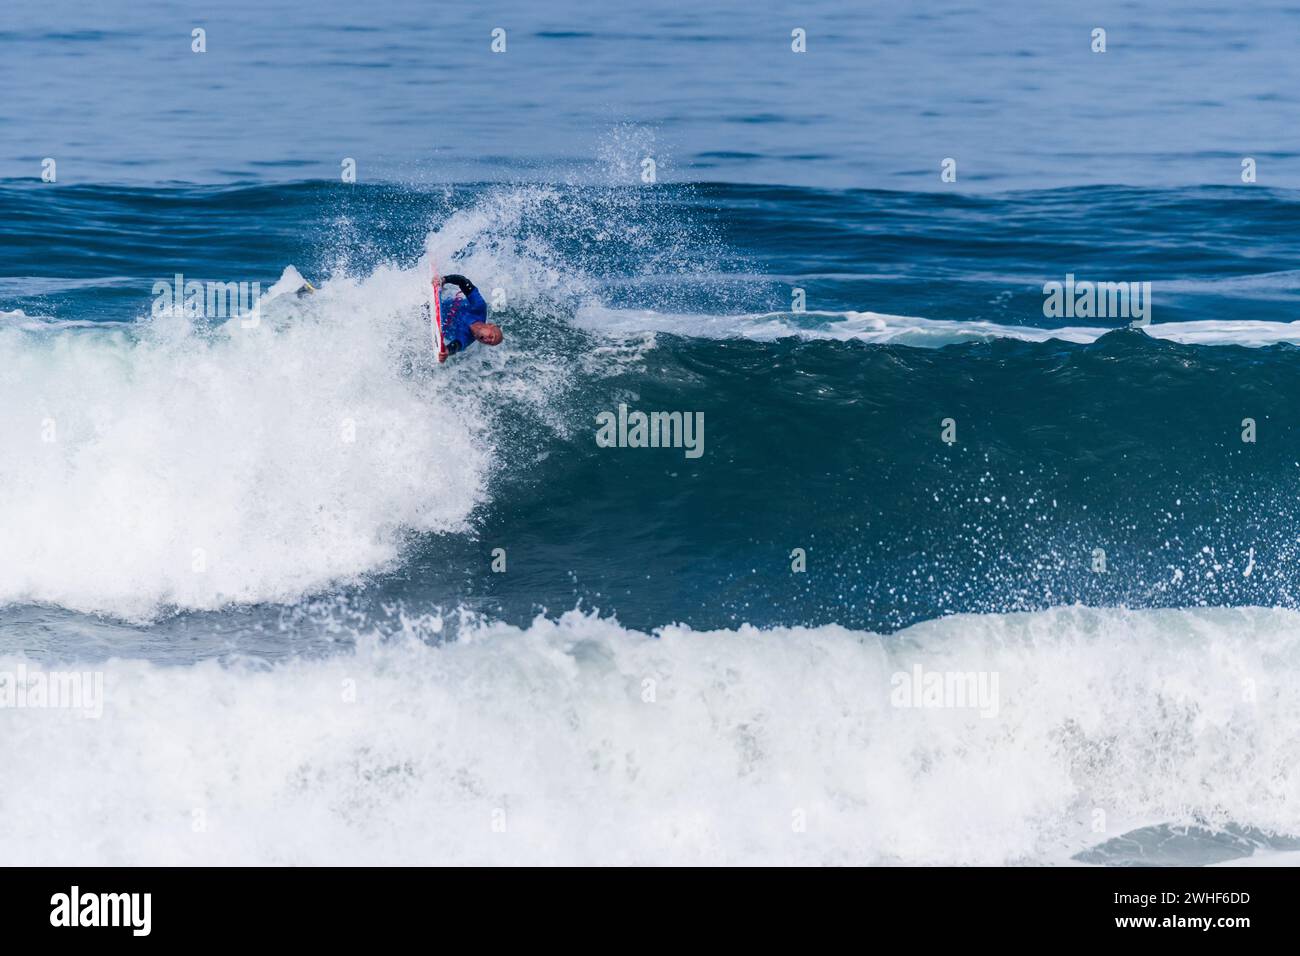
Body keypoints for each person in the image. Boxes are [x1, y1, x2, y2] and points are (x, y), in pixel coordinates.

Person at [439, 274, 503, 362]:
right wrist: (444, 280)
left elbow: (456, 346)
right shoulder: (479, 307)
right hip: (441, 302)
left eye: (489, 343)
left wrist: (446, 351)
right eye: (491, 336)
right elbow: (463, 281)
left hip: (431, 321)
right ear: (490, 325)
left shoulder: (466, 339)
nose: (487, 340)